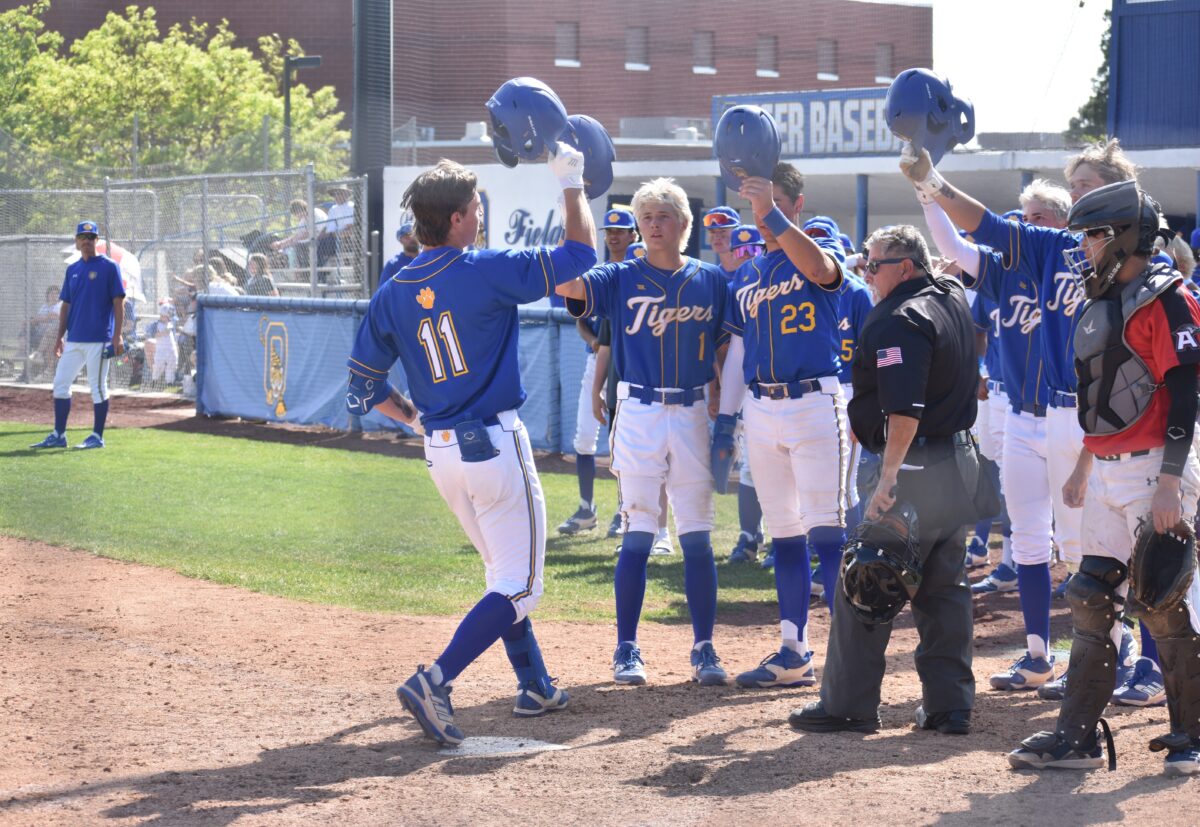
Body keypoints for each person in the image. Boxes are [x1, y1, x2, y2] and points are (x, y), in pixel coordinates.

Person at [346, 148, 595, 746]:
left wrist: (412, 420)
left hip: (440, 451)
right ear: (456, 218)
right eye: (474, 206)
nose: (479, 214)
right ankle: (435, 678)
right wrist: (572, 184)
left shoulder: (393, 288)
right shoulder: (482, 267)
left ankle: (533, 682)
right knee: (521, 585)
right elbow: (580, 257)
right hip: (493, 443)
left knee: (499, 574)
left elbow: (361, 388)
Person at [904, 142, 1141, 697]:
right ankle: (1039, 656)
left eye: (1084, 185)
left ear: (1113, 188)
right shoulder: (1049, 246)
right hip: (1024, 415)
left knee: (1089, 547)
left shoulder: (1129, 254)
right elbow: (973, 228)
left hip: (1081, 418)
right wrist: (930, 186)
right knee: (1031, 542)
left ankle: (1111, 655)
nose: (1077, 192)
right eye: (1075, 185)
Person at [1008, 181, 1200, 776]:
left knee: (1162, 598)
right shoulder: (1102, 301)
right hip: (1109, 469)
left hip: (1154, 471)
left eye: (1094, 234)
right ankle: (1079, 738)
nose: (1085, 245)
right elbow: (1101, 398)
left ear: (1123, 236)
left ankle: (1191, 734)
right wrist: (1085, 466)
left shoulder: (1168, 298)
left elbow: (1187, 391)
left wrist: (1170, 482)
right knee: (1092, 596)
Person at [791, 224, 979, 735]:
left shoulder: (899, 319)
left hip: (911, 466)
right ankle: (950, 706)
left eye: (875, 265)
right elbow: (947, 274)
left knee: (867, 578)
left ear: (906, 268)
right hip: (958, 463)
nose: (866, 273)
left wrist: (888, 478)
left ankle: (847, 705)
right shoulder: (950, 295)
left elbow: (904, 410)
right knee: (944, 588)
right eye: (865, 264)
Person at [558, 177, 730, 688]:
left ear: (684, 224)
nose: (654, 224)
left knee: (697, 534)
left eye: (664, 215)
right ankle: (626, 648)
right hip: (639, 412)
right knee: (637, 531)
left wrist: (727, 404)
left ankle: (703, 648)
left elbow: (725, 350)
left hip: (694, 411)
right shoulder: (618, 277)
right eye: (646, 216)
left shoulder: (712, 280)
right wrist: (571, 198)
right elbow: (568, 285)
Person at [715, 162, 848, 689]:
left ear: (796, 203)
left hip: (814, 401)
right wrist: (726, 419)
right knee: (786, 536)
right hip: (762, 408)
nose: (761, 214)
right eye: (754, 203)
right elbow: (737, 349)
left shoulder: (820, 255)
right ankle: (794, 651)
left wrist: (770, 210)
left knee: (829, 533)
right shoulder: (746, 275)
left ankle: (851, 653)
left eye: (770, 202)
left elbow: (819, 270)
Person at [556, 207, 638, 538]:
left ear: (634, 235)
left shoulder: (640, 269)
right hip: (599, 360)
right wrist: (593, 341)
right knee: (584, 439)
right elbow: (580, 318)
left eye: (622, 230)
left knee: (622, 445)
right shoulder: (596, 271)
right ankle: (586, 509)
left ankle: (624, 511)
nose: (614, 235)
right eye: (610, 230)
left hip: (631, 366)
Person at [30, 221, 125, 451]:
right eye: (82, 237)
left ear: (97, 241)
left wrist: (118, 336)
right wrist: (59, 336)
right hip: (74, 339)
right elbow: (66, 305)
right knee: (60, 384)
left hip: (99, 338)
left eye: (91, 237)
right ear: (76, 241)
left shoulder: (109, 266)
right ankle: (58, 434)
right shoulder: (72, 269)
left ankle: (97, 436)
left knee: (98, 387)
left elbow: (118, 302)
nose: (86, 241)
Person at [319, 184, 356, 267]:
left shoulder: (350, 206)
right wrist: (318, 237)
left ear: (346, 195)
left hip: (345, 236)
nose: (337, 196)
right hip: (332, 236)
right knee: (317, 244)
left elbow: (350, 227)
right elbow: (328, 226)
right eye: (335, 194)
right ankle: (321, 273)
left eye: (340, 193)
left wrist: (334, 234)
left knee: (328, 243)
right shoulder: (333, 208)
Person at [377, 221, 421, 291]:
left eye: (414, 235)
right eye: (407, 237)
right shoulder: (393, 265)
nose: (412, 239)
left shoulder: (428, 260)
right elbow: (382, 292)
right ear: (400, 240)